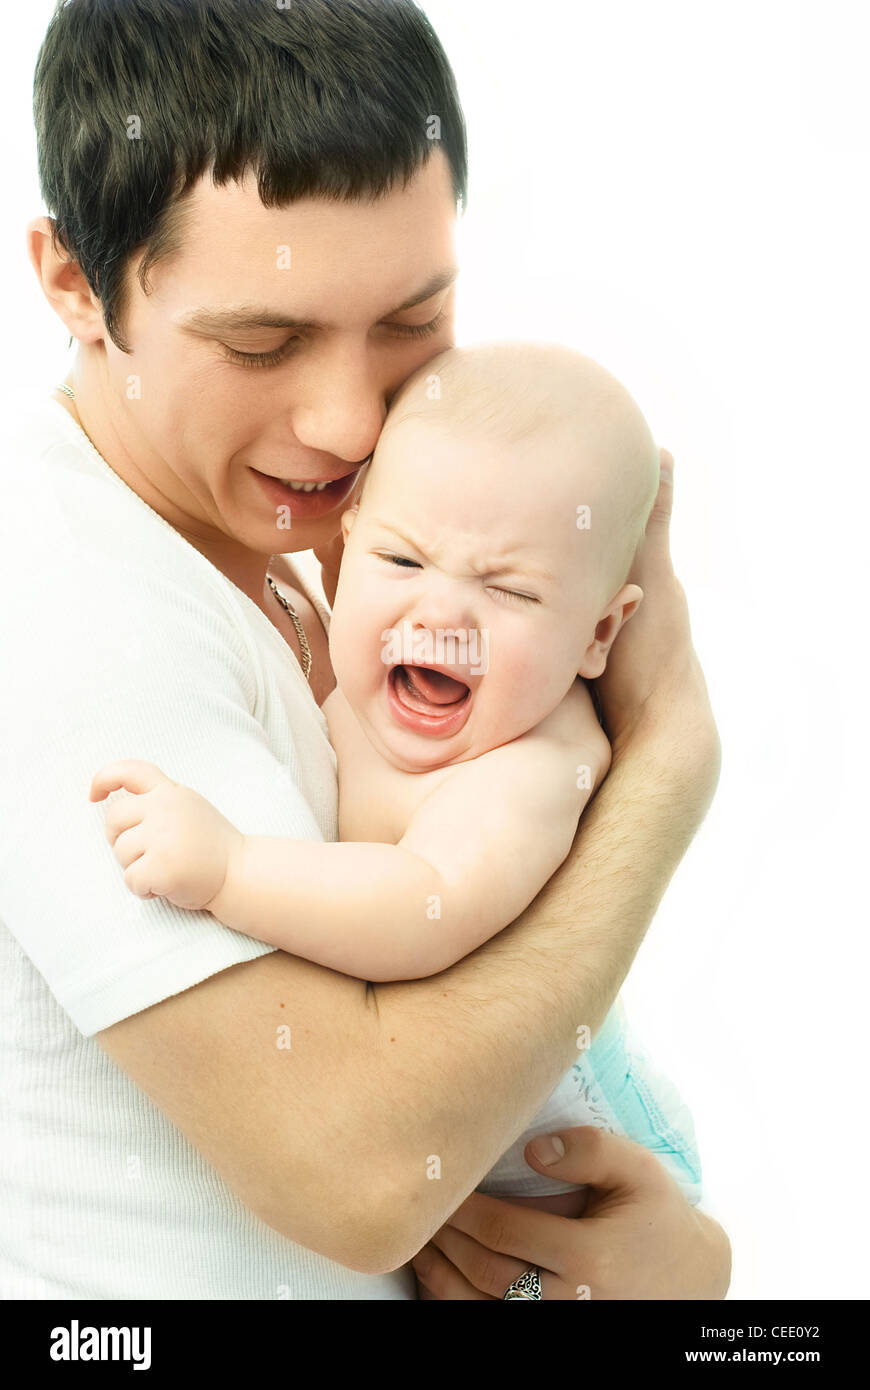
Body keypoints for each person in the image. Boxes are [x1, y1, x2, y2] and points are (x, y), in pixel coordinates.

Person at [1, 0, 728, 1299]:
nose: (347, 422)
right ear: (73, 283)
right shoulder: (56, 597)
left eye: (409, 322)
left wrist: (670, 1266)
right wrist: (661, 775)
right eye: (261, 342)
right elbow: (366, 1175)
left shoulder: (292, 543)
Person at [89, 341, 704, 1238]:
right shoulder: (330, 660)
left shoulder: (532, 764)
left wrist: (231, 870)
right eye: (404, 563)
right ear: (347, 543)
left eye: (511, 591)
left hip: (593, 1143)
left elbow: (425, 908)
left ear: (598, 636)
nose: (442, 615)